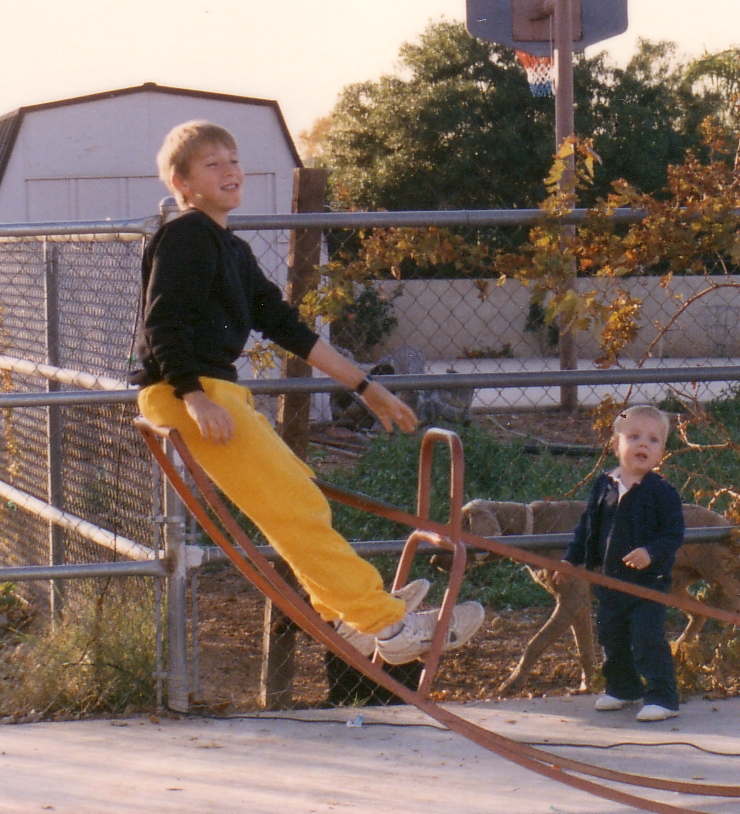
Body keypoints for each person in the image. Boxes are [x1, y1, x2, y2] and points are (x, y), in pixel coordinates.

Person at [132, 120, 484, 665]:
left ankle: (349, 617)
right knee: (292, 507)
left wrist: (365, 386)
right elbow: (163, 323)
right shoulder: (185, 236)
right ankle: (388, 627)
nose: (230, 171)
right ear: (182, 184)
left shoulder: (231, 248)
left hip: (218, 391)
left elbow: (288, 328)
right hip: (189, 394)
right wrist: (194, 396)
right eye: (212, 164)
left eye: (233, 159)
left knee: (301, 494)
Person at [559, 405, 685, 722]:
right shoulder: (604, 486)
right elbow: (587, 527)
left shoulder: (662, 493)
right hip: (609, 582)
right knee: (611, 637)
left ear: (662, 452)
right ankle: (623, 688)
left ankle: (662, 697)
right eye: (634, 436)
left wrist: (651, 552)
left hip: (648, 585)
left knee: (647, 638)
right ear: (616, 445)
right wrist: (571, 559)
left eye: (653, 440)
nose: (643, 444)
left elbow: (672, 534)